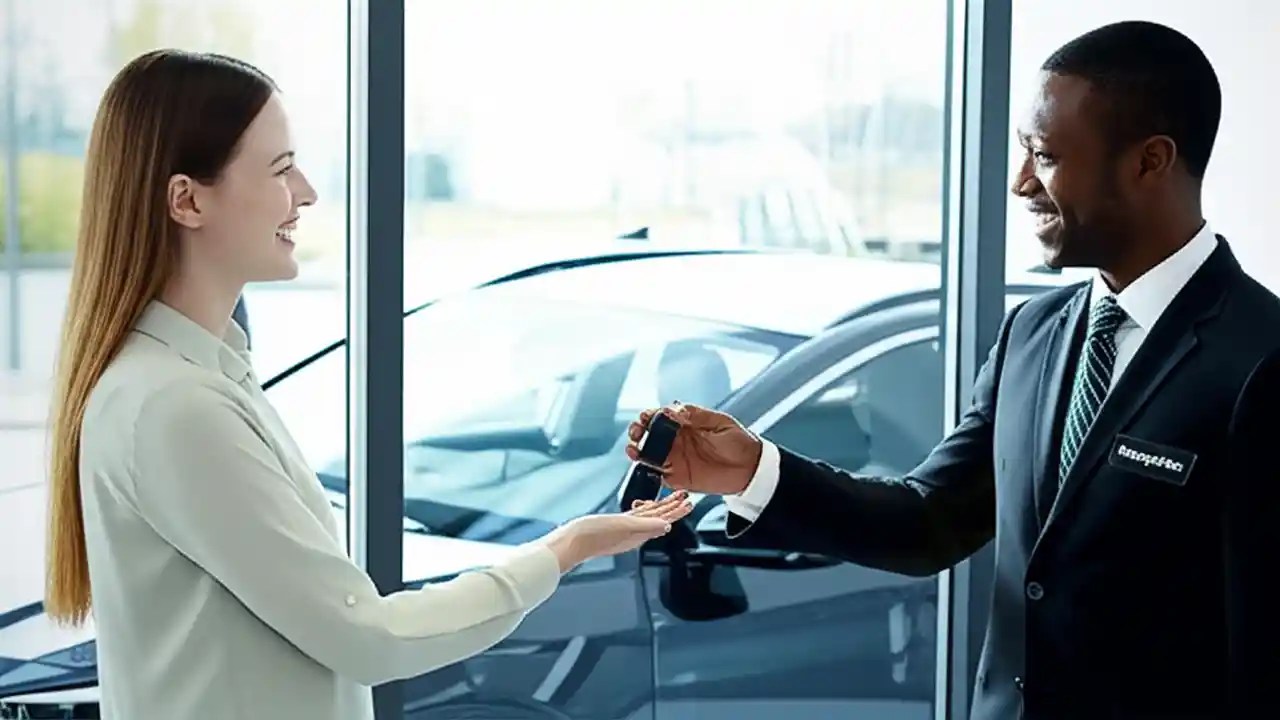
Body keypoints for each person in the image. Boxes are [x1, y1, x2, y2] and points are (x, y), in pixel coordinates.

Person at [628, 20, 1279, 719]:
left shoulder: (1262, 359)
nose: (1021, 180)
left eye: (1047, 155)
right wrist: (752, 469)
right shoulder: (1033, 332)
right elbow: (930, 520)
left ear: (1150, 161)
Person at [43, 49, 691, 720]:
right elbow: (368, 638)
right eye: (280, 168)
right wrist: (567, 547)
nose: (307, 192)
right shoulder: (176, 407)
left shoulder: (188, 379)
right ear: (187, 199)